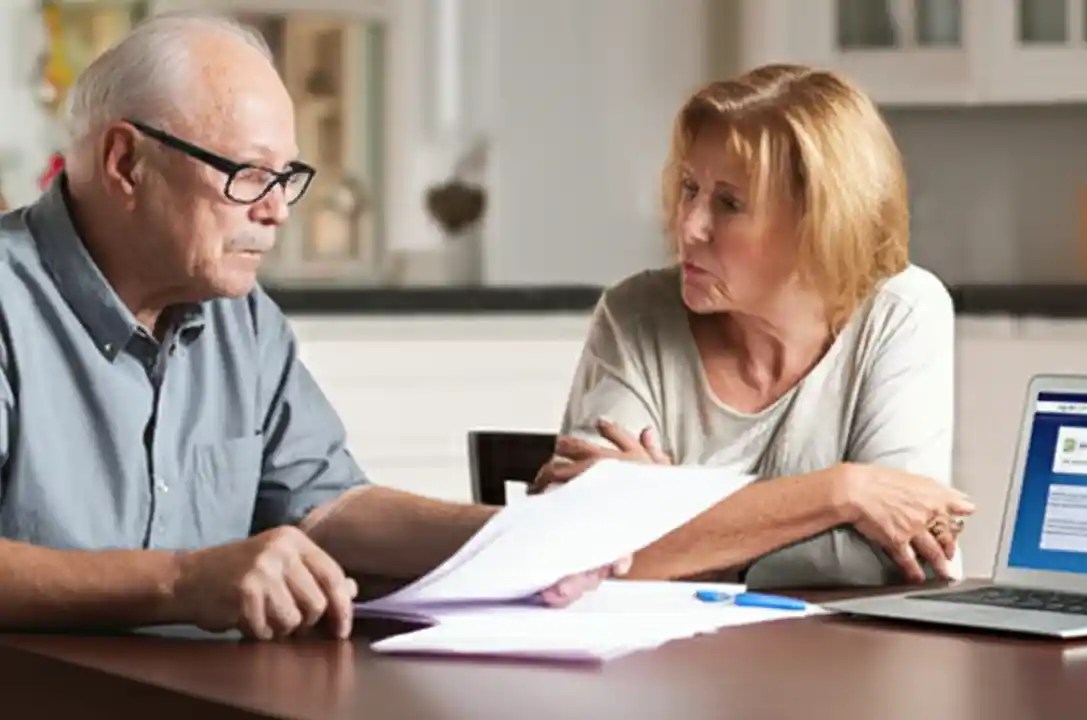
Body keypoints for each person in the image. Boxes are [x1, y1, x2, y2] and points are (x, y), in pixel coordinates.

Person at [0, 14, 623, 642]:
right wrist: (182, 582)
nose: (276, 211)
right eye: (247, 174)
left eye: (285, 178)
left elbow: (327, 508)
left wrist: (532, 536)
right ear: (126, 161)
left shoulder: (239, 315)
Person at [534, 64, 974, 589]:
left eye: (728, 203)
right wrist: (842, 492)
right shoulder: (636, 314)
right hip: (666, 665)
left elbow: (895, 561)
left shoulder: (902, 310)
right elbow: (574, 544)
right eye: (690, 188)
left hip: (850, 661)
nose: (690, 225)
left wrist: (667, 512)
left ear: (819, 222)